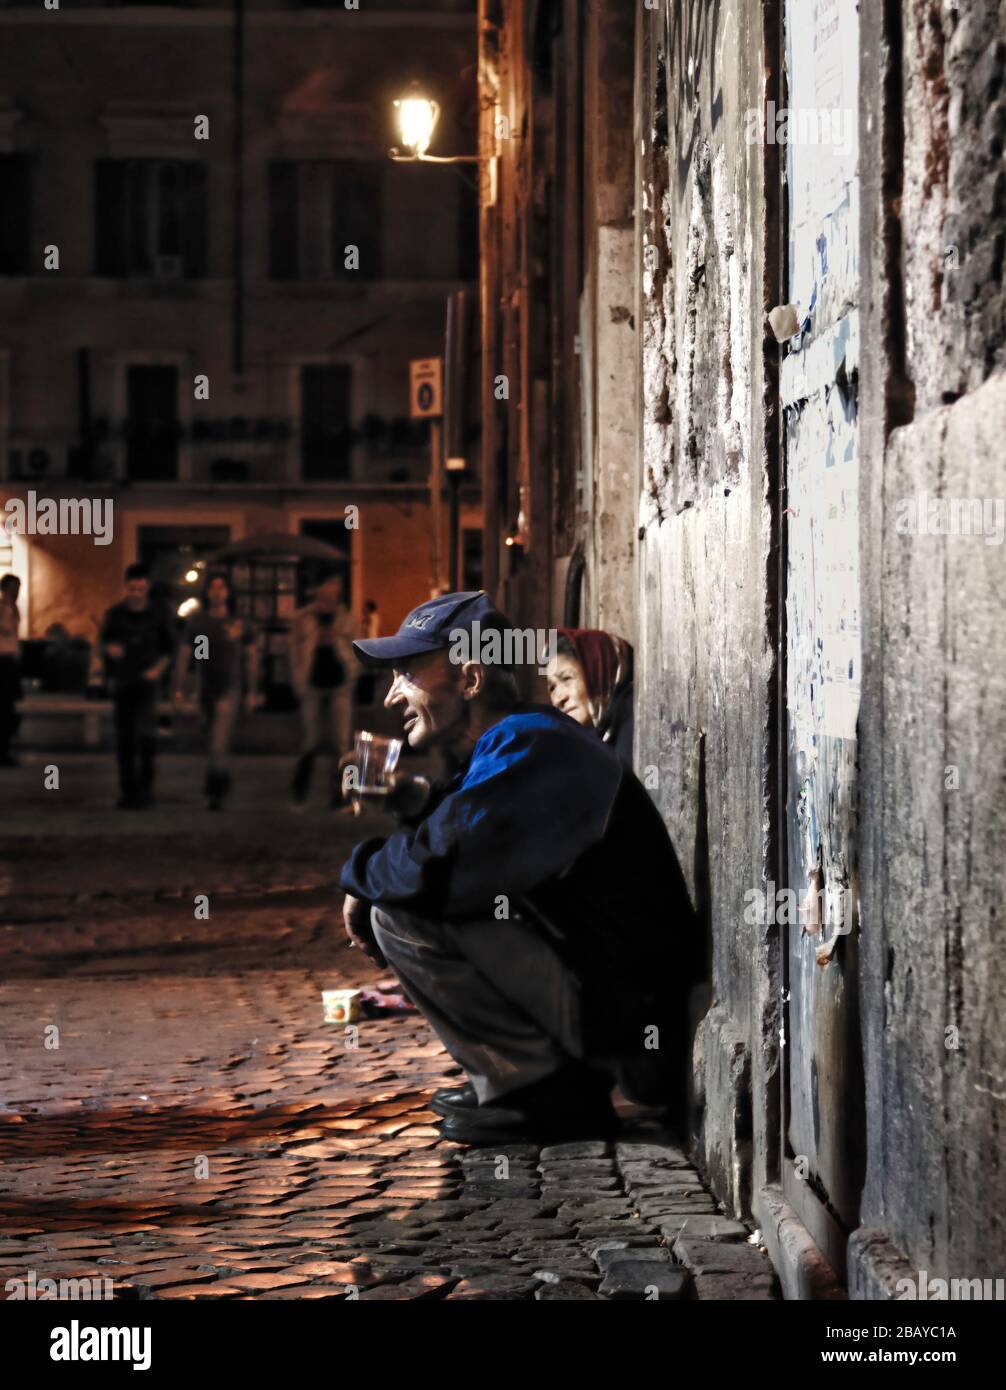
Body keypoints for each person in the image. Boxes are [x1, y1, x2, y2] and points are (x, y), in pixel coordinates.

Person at [339, 590, 701, 1145]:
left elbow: (438, 866)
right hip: (613, 1001)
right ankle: (517, 1082)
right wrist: (415, 802)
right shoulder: (524, 740)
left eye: (407, 673)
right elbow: (461, 830)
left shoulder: (535, 745)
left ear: (470, 680)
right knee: (403, 897)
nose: (392, 697)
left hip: (631, 1029)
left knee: (400, 910)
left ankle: (539, 1091)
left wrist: (360, 879)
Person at [174, 571, 259, 810]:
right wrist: (180, 688)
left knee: (218, 740)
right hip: (206, 687)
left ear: (228, 592)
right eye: (213, 587)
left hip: (229, 687)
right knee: (210, 737)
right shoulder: (199, 622)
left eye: (222, 587)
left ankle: (215, 789)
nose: (217, 592)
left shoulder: (239, 622)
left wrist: (252, 690)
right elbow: (188, 655)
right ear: (207, 592)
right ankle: (219, 778)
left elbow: (251, 656)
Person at [100, 563, 175, 809]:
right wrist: (111, 654)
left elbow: (169, 649)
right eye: (132, 589)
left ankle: (145, 790)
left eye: (140, 590)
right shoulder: (115, 615)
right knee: (125, 740)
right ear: (126, 587)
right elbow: (104, 645)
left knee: (145, 737)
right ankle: (128, 792)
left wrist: (157, 671)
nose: (135, 594)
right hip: (124, 682)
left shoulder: (158, 615)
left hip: (147, 682)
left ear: (147, 588)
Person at [289, 569, 358, 808]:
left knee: (340, 742)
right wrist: (297, 679)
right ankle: (299, 791)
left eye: (337, 585)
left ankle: (339, 795)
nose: (333, 590)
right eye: (330, 584)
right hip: (312, 681)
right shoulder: (303, 617)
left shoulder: (346, 617)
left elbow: (355, 649)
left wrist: (349, 664)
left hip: (339, 682)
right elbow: (295, 652)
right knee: (310, 740)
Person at [545, 627, 634, 765]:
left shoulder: (634, 724)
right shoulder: (592, 742)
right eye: (552, 687)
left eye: (567, 678)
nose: (558, 699)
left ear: (599, 674)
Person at [0, 574, 22, 767]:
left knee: (9, 708)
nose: (15, 593)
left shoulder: (14, 609)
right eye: (12, 589)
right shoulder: (1, 609)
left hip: (10, 659)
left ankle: (6, 749)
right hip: (2, 660)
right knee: (4, 708)